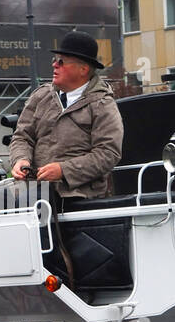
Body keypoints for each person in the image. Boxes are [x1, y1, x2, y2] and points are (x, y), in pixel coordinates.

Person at [7, 31, 123, 201]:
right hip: (35, 190)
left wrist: (64, 170)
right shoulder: (41, 96)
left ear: (83, 69)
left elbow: (108, 153)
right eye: (54, 60)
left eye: (61, 62)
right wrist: (20, 160)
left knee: (4, 205)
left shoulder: (102, 105)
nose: (55, 65)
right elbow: (22, 137)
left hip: (77, 193)